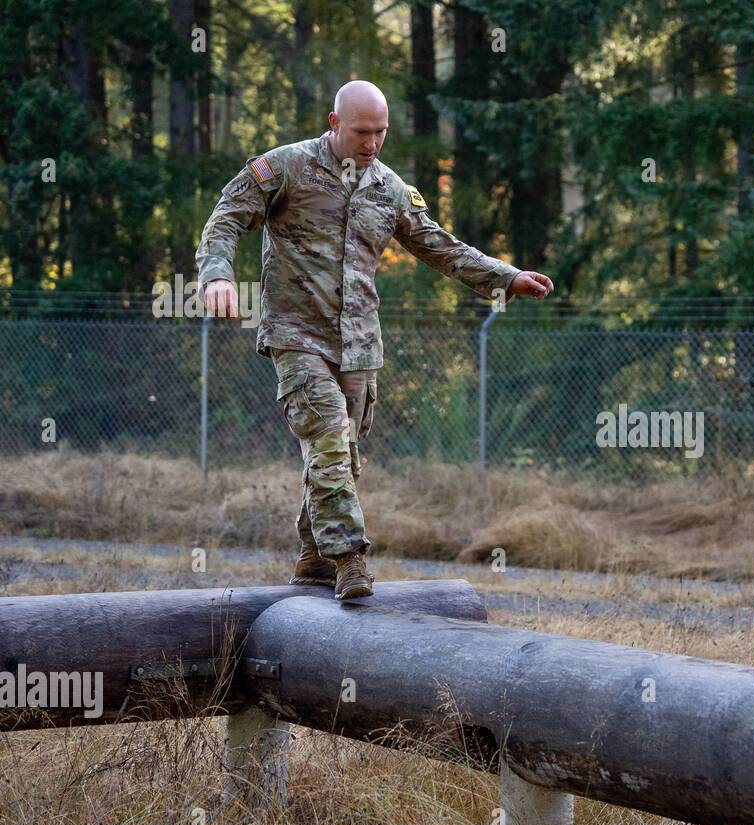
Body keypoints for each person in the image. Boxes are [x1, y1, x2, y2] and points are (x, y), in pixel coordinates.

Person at [196, 80, 553, 599]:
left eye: (380, 133)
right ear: (335, 122)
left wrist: (505, 276)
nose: (371, 143)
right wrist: (217, 276)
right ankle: (350, 559)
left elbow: (438, 245)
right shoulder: (286, 167)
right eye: (362, 132)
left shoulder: (389, 188)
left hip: (360, 343)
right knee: (329, 435)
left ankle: (314, 559)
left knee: (340, 455)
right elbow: (225, 219)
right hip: (296, 336)